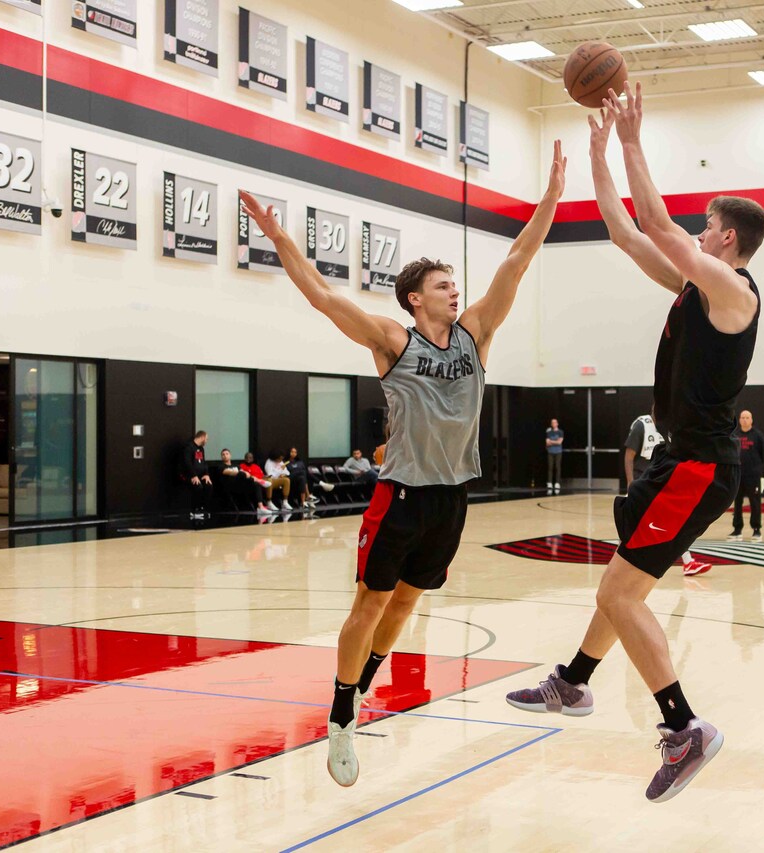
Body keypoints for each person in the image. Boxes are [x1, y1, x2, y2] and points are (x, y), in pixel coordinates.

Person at [240, 138, 564, 787]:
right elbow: (325, 300)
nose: (455, 291)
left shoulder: (476, 334)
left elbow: (519, 260)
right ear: (415, 298)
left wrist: (552, 194)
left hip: (452, 499)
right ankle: (340, 714)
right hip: (402, 495)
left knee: (408, 602)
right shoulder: (393, 341)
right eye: (443, 285)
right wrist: (280, 240)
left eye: (453, 285)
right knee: (370, 602)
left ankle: (363, 682)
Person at [505, 85, 764, 803]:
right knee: (625, 583)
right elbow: (628, 232)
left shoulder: (734, 293)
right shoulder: (692, 285)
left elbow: (657, 221)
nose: (696, 230)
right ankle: (575, 682)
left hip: (701, 463)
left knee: (619, 590)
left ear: (727, 240)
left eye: (706, 226)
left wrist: (629, 137)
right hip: (676, 459)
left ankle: (685, 728)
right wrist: (598, 157)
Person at [623, 413, 713, 577]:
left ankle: (688, 562)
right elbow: (629, 456)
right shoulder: (641, 426)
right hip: (642, 483)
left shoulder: (668, 428)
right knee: (637, 528)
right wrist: (630, 482)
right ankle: (628, 562)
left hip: (658, 482)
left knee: (667, 524)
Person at [728, 409, 764, 542]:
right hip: (738, 476)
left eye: (747, 418)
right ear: (739, 420)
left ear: (751, 420)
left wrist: (756, 469)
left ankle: (756, 530)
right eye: (742, 417)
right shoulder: (735, 435)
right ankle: (737, 529)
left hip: (753, 476)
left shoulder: (758, 435)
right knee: (737, 503)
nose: (744, 420)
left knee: (755, 503)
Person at [217, 449, 271, 514]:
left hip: (242, 485)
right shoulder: (221, 466)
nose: (225, 456)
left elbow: (245, 473)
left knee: (256, 484)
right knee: (241, 474)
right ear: (221, 457)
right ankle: (260, 481)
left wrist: (246, 473)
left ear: (230, 455)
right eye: (223, 454)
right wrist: (241, 473)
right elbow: (228, 472)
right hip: (231, 486)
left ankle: (261, 507)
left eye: (227, 454)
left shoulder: (236, 466)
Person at [180, 430, 213, 518]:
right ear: (202, 437)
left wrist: (206, 474)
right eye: (206, 439)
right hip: (189, 475)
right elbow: (187, 463)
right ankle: (195, 510)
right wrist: (193, 475)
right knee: (198, 486)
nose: (207, 441)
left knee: (208, 485)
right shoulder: (189, 447)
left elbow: (203, 462)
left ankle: (203, 508)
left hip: (200, 475)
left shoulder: (201, 449)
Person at [545, 418, 564, 493]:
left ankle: (557, 483)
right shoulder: (549, 432)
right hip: (550, 451)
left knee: (557, 467)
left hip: (558, 451)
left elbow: (559, 442)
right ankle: (549, 483)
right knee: (550, 466)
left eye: (555, 422)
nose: (553, 424)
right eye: (552, 422)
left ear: (557, 423)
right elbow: (547, 443)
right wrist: (554, 442)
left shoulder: (560, 432)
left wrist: (551, 441)